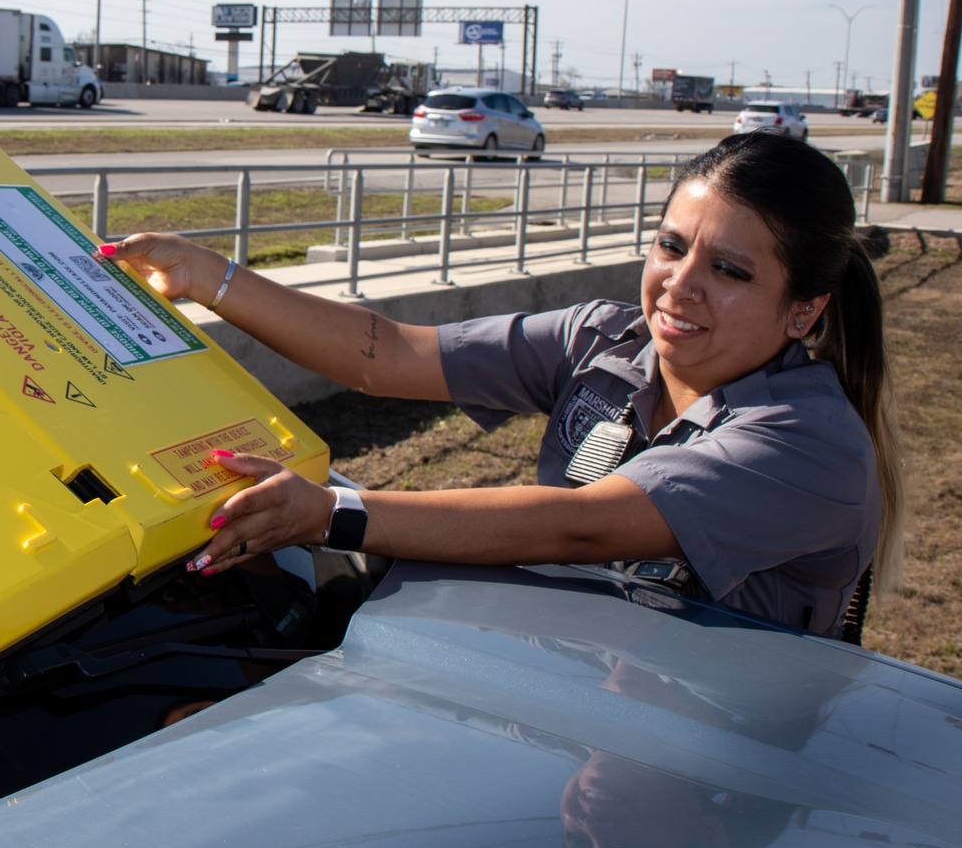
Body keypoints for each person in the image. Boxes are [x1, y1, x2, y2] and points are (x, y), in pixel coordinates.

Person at [99, 131, 902, 636]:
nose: (676, 286)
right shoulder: (605, 338)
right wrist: (213, 276)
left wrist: (329, 513)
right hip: (574, 686)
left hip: (712, 743)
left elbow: (580, 527)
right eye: (670, 245)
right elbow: (392, 353)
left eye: (728, 270)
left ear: (804, 310)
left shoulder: (808, 442)